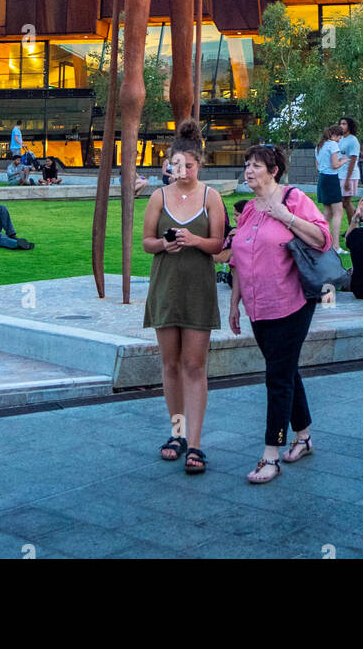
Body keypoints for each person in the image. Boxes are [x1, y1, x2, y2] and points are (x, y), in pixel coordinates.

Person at [229, 143, 332, 485]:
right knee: (286, 370)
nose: (249, 170)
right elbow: (238, 259)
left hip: (292, 302)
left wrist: (286, 217)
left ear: (274, 171)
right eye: (247, 164)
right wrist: (234, 304)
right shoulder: (248, 210)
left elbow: (323, 238)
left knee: (277, 375)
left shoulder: (293, 198)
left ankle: (270, 455)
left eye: (256, 165)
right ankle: (303, 436)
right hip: (257, 306)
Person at [142, 119, 225, 476]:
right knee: (170, 364)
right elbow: (146, 242)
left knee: (194, 365)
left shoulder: (212, 197)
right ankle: (175, 435)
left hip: (198, 290)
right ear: (169, 165)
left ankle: (195, 443)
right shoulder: (158, 196)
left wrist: (194, 241)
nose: (183, 171)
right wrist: (164, 243)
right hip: (165, 287)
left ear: (199, 165)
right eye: (177, 166)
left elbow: (219, 245)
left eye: (189, 166)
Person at [315, 124, 346, 254]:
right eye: (339, 137)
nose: (339, 140)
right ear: (335, 135)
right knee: (339, 212)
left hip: (322, 179)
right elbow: (335, 165)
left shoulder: (319, 146)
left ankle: (319, 241)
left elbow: (318, 167)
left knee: (327, 213)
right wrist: (343, 161)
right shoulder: (332, 145)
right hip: (331, 179)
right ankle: (335, 246)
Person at [338, 116, 361, 226]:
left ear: (349, 126)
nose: (341, 126)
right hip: (340, 174)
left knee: (345, 202)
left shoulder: (353, 140)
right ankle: (358, 218)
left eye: (344, 124)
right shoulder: (340, 139)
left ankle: (352, 227)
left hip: (350, 175)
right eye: (340, 124)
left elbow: (353, 160)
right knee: (344, 202)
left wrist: (347, 179)